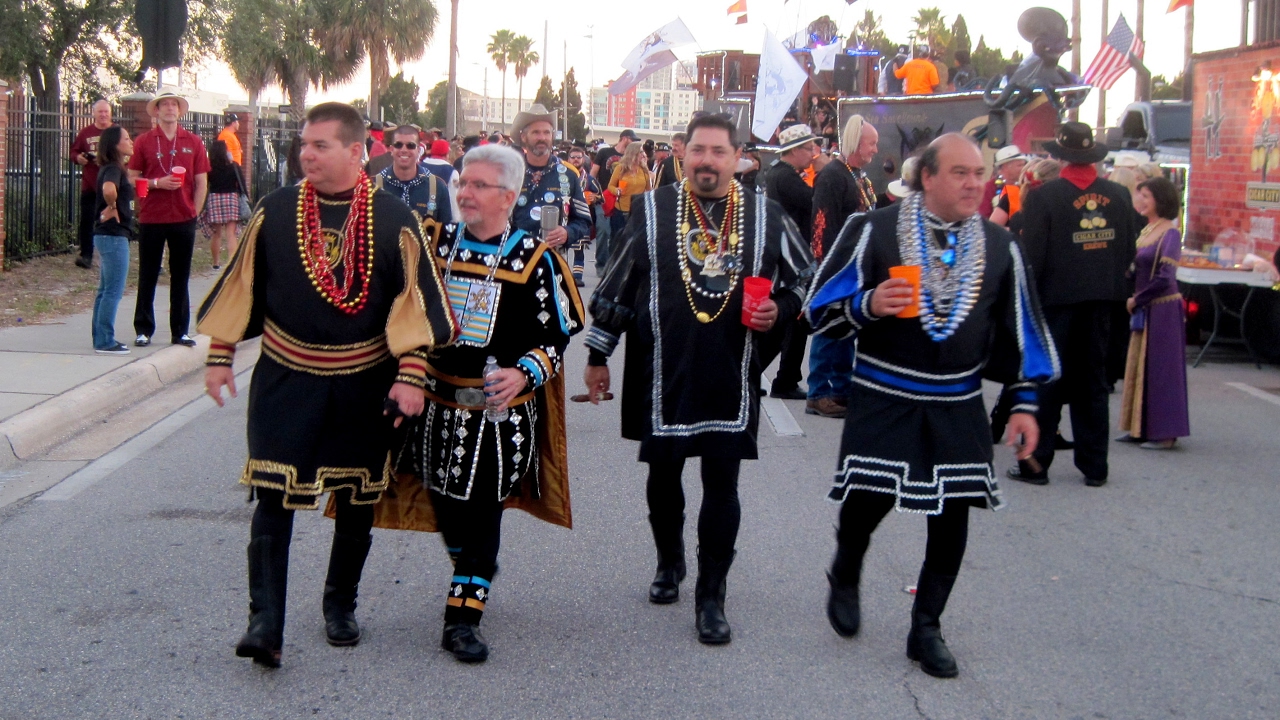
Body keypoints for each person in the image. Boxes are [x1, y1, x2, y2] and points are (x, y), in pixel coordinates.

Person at [197, 102, 459, 669]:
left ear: (355, 151)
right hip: (285, 377)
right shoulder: (275, 209)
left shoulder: (394, 219)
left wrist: (412, 376)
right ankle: (265, 622)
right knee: (272, 495)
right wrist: (220, 355)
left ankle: (340, 604)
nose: (305, 154)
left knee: (356, 498)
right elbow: (244, 284)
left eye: (319, 145)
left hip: (365, 383)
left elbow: (415, 302)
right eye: (304, 145)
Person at [804, 133, 1059, 679]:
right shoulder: (871, 231)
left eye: (980, 173)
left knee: (952, 518)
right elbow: (816, 309)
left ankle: (926, 628)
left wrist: (1024, 402)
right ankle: (845, 570)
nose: (975, 183)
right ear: (928, 177)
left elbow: (1024, 331)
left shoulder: (999, 245)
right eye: (962, 172)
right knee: (867, 504)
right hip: (885, 392)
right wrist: (867, 303)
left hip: (957, 400)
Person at [582, 113, 813, 645]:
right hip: (661, 365)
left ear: (737, 158)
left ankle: (712, 595)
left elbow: (806, 274)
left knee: (722, 483)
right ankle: (670, 561)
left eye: (719, 152)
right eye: (699, 151)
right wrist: (597, 356)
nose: (707, 161)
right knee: (663, 477)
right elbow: (617, 284)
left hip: (731, 368)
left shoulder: (766, 215)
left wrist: (781, 306)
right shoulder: (653, 209)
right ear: (684, 154)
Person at [397, 144, 584, 663]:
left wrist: (523, 371)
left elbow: (556, 338)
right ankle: (473, 563)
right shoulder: (434, 243)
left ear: (508, 196)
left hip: (498, 416)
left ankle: (463, 617)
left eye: (478, 185)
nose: (465, 193)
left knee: (482, 513)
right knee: (446, 506)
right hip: (435, 407)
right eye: (463, 183)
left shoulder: (534, 260)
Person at [1009, 122, 1137, 487]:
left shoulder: (1044, 197)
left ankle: (1036, 464)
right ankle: (1095, 467)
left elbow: (1033, 255)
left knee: (1046, 380)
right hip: (1101, 301)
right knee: (1093, 383)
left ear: (1060, 156)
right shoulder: (1119, 195)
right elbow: (1128, 247)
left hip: (1056, 302)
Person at [807, 115, 880, 418]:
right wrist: (827, 267)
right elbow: (822, 224)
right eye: (872, 143)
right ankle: (819, 392)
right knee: (829, 327)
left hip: (855, 266)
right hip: (836, 268)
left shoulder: (857, 176)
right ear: (856, 143)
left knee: (846, 328)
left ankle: (840, 388)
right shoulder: (834, 176)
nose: (876, 149)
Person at [127, 90, 209, 348]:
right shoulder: (145, 141)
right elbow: (132, 178)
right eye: (165, 105)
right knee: (148, 272)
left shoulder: (193, 141)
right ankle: (143, 329)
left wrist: (193, 212)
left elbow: (201, 182)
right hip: (153, 216)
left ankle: (180, 330)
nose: (170, 108)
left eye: (174, 104)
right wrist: (155, 183)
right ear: (158, 111)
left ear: (180, 111)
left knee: (180, 275)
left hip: (183, 217)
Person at [1118, 176, 1190, 449]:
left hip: (1162, 308)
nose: (1141, 201)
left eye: (1146, 196)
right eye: (1140, 195)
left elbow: (1164, 276)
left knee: (1162, 369)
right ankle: (1140, 427)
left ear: (1161, 200)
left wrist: (1138, 299)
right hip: (1147, 306)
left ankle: (1166, 433)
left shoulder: (1169, 232)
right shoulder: (1149, 230)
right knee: (1141, 366)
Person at [761, 124, 827, 400]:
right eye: (809, 148)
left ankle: (782, 377)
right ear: (796, 150)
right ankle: (784, 379)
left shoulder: (779, 173)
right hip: (790, 257)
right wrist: (823, 171)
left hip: (785, 254)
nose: (812, 154)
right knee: (793, 319)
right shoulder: (785, 176)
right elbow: (814, 201)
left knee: (790, 321)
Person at [510, 104, 591, 256]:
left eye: (547, 132)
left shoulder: (568, 175)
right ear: (523, 137)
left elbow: (583, 221)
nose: (542, 138)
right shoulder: (509, 173)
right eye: (536, 132)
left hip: (552, 260)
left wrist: (567, 232)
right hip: (514, 257)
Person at [90, 126, 135, 355]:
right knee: (113, 291)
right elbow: (109, 189)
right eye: (126, 138)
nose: (130, 141)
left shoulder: (113, 168)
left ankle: (100, 336)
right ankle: (105, 341)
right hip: (114, 235)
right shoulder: (113, 169)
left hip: (106, 235)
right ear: (116, 145)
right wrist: (113, 206)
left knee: (105, 289)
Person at [375, 125, 452, 226]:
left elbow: (445, 234)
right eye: (398, 145)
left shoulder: (437, 187)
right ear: (391, 149)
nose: (404, 150)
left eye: (410, 145)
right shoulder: (374, 186)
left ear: (419, 150)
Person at [71, 99, 114, 269]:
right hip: (90, 185)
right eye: (100, 112)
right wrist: (78, 158)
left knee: (110, 221)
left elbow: (127, 153)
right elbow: (74, 150)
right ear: (93, 113)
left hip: (111, 185)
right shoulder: (86, 133)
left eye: (106, 112)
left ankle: (109, 256)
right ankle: (86, 255)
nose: (103, 115)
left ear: (110, 113)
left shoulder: (116, 132)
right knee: (88, 221)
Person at [200, 139, 246, 269]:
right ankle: (232, 262)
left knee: (217, 233)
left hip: (214, 198)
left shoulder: (209, 168)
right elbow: (241, 183)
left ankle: (216, 263)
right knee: (231, 233)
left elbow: (206, 184)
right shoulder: (233, 166)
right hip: (231, 198)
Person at [567, 145, 600, 286]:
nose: (575, 160)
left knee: (579, 248)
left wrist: (594, 197)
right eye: (573, 157)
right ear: (568, 159)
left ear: (583, 159)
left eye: (578, 157)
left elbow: (601, 197)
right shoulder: (561, 176)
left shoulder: (590, 180)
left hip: (580, 217)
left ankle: (577, 276)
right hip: (563, 216)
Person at [607, 143, 652, 242]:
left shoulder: (644, 170)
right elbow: (610, 186)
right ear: (633, 153)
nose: (643, 154)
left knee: (633, 240)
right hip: (621, 210)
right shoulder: (621, 168)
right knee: (617, 240)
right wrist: (617, 190)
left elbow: (649, 190)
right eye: (641, 152)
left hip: (637, 210)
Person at [980, 146, 1028, 221]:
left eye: (1024, 165)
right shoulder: (989, 188)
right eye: (1020, 165)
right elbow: (984, 219)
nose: (1024, 168)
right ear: (1005, 167)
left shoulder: (1025, 186)